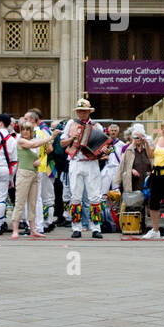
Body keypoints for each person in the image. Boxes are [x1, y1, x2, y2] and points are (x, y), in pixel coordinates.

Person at [61, 100, 106, 239]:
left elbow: (106, 146)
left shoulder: (97, 126)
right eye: (79, 111)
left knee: (95, 196)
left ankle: (96, 228)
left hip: (91, 163)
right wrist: (72, 138)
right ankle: (76, 227)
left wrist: (105, 150)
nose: (81, 113)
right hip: (75, 162)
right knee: (75, 196)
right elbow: (62, 143)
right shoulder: (71, 124)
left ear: (89, 112)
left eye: (84, 111)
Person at [11, 117, 46, 239]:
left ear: (31, 131)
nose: (25, 131)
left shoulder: (32, 142)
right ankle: (15, 229)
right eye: (23, 129)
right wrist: (50, 138)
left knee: (32, 202)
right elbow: (34, 144)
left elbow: (36, 154)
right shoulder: (21, 141)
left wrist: (37, 162)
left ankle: (33, 229)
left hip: (33, 174)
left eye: (27, 129)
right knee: (20, 202)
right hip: (24, 174)